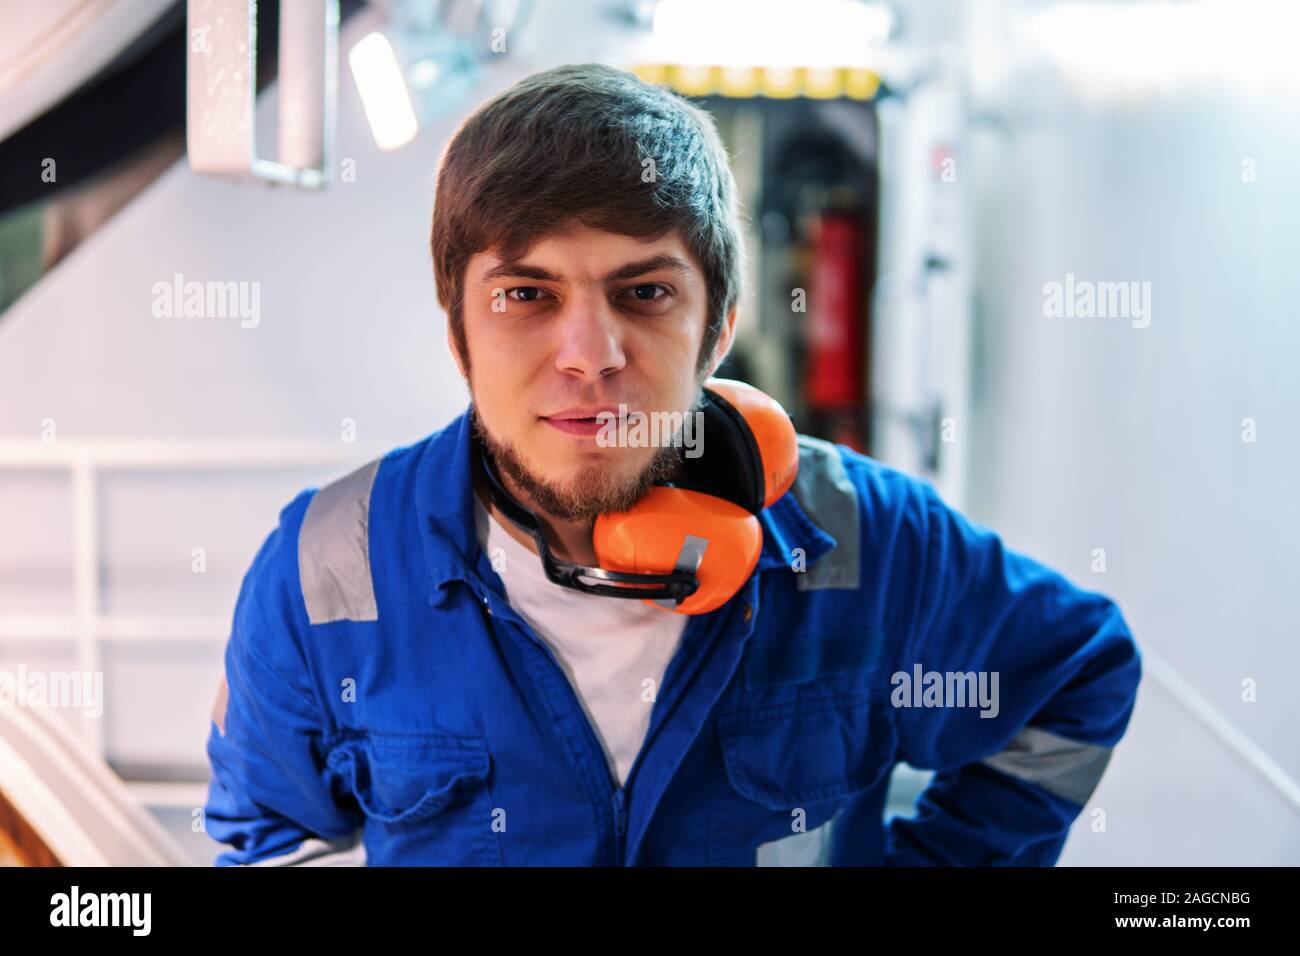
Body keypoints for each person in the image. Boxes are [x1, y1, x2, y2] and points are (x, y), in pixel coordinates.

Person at [202, 63, 1141, 866]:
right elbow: (268, 833)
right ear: (457, 331)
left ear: (718, 328)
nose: (590, 352)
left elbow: (1077, 675)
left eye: (645, 291)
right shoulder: (323, 566)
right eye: (525, 293)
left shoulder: (868, 537)